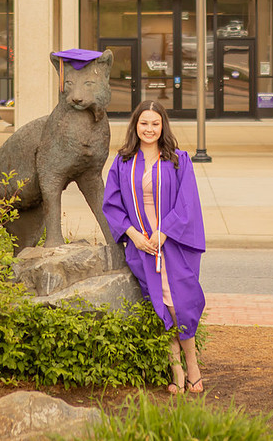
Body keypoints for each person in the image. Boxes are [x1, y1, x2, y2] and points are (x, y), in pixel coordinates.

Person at [103, 100, 206, 394]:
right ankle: (176, 370)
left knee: (178, 305)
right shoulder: (123, 162)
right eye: (144, 123)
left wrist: (165, 232)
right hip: (143, 246)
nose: (149, 129)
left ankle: (192, 364)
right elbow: (112, 204)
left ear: (163, 127)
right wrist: (133, 235)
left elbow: (188, 203)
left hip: (172, 244)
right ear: (136, 125)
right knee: (160, 306)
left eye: (155, 123)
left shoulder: (177, 160)